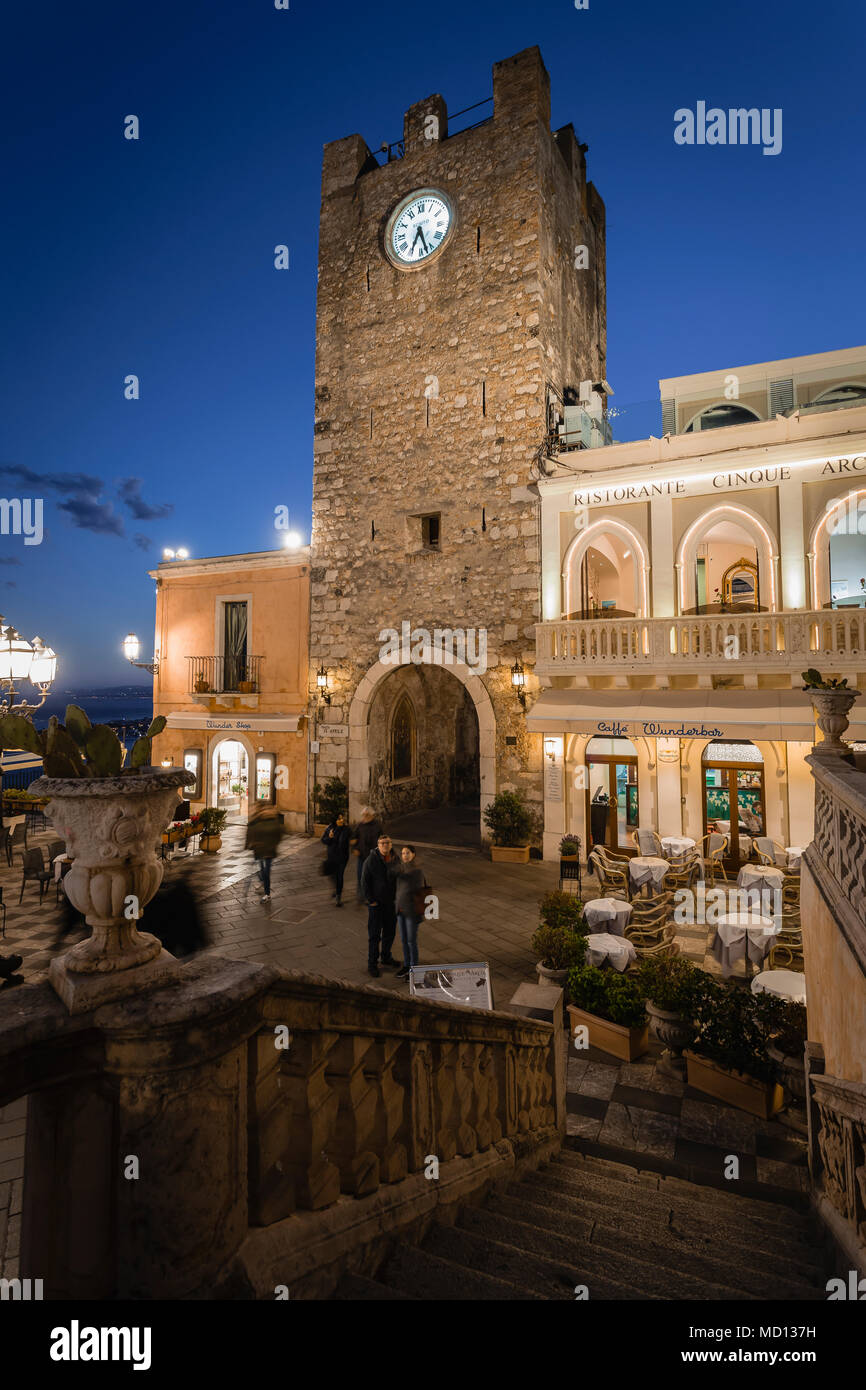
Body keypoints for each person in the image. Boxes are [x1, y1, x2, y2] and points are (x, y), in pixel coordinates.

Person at [360, 832, 399, 977]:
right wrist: (371, 901)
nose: (385, 845)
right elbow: (364, 882)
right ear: (378, 845)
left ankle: (386, 957)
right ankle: (372, 964)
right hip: (377, 905)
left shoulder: (395, 858)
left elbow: (399, 877)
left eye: (388, 843)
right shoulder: (371, 860)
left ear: (391, 844)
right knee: (375, 935)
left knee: (390, 932)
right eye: (382, 843)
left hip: (391, 903)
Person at [390, 844, 425, 980]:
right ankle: (406, 965)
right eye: (403, 853)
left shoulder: (416, 870)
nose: (405, 855)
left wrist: (397, 870)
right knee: (404, 940)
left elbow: (411, 884)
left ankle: (413, 968)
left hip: (411, 911)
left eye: (407, 853)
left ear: (413, 854)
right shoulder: (401, 867)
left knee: (411, 941)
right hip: (400, 909)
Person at [245, 804, 284, 902]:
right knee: (265, 870)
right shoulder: (272, 819)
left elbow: (250, 832)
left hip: (261, 849)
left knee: (264, 870)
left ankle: (266, 891)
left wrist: (249, 845)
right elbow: (280, 834)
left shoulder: (258, 820)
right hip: (268, 850)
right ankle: (266, 889)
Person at [354, 806, 383, 904]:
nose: (364, 817)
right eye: (363, 815)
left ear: (371, 815)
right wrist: (354, 849)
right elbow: (354, 838)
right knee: (360, 876)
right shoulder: (360, 825)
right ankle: (360, 895)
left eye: (366, 815)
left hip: (373, 857)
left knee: (371, 877)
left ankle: (369, 896)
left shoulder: (377, 826)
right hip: (361, 856)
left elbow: (382, 840)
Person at [321, 812, 350, 907]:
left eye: (342, 818)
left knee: (339, 876)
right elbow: (323, 840)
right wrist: (329, 837)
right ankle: (336, 888)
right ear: (335, 820)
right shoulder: (329, 828)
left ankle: (338, 896)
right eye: (339, 819)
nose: (342, 820)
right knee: (333, 875)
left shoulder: (346, 829)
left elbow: (346, 840)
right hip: (332, 857)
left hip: (342, 857)